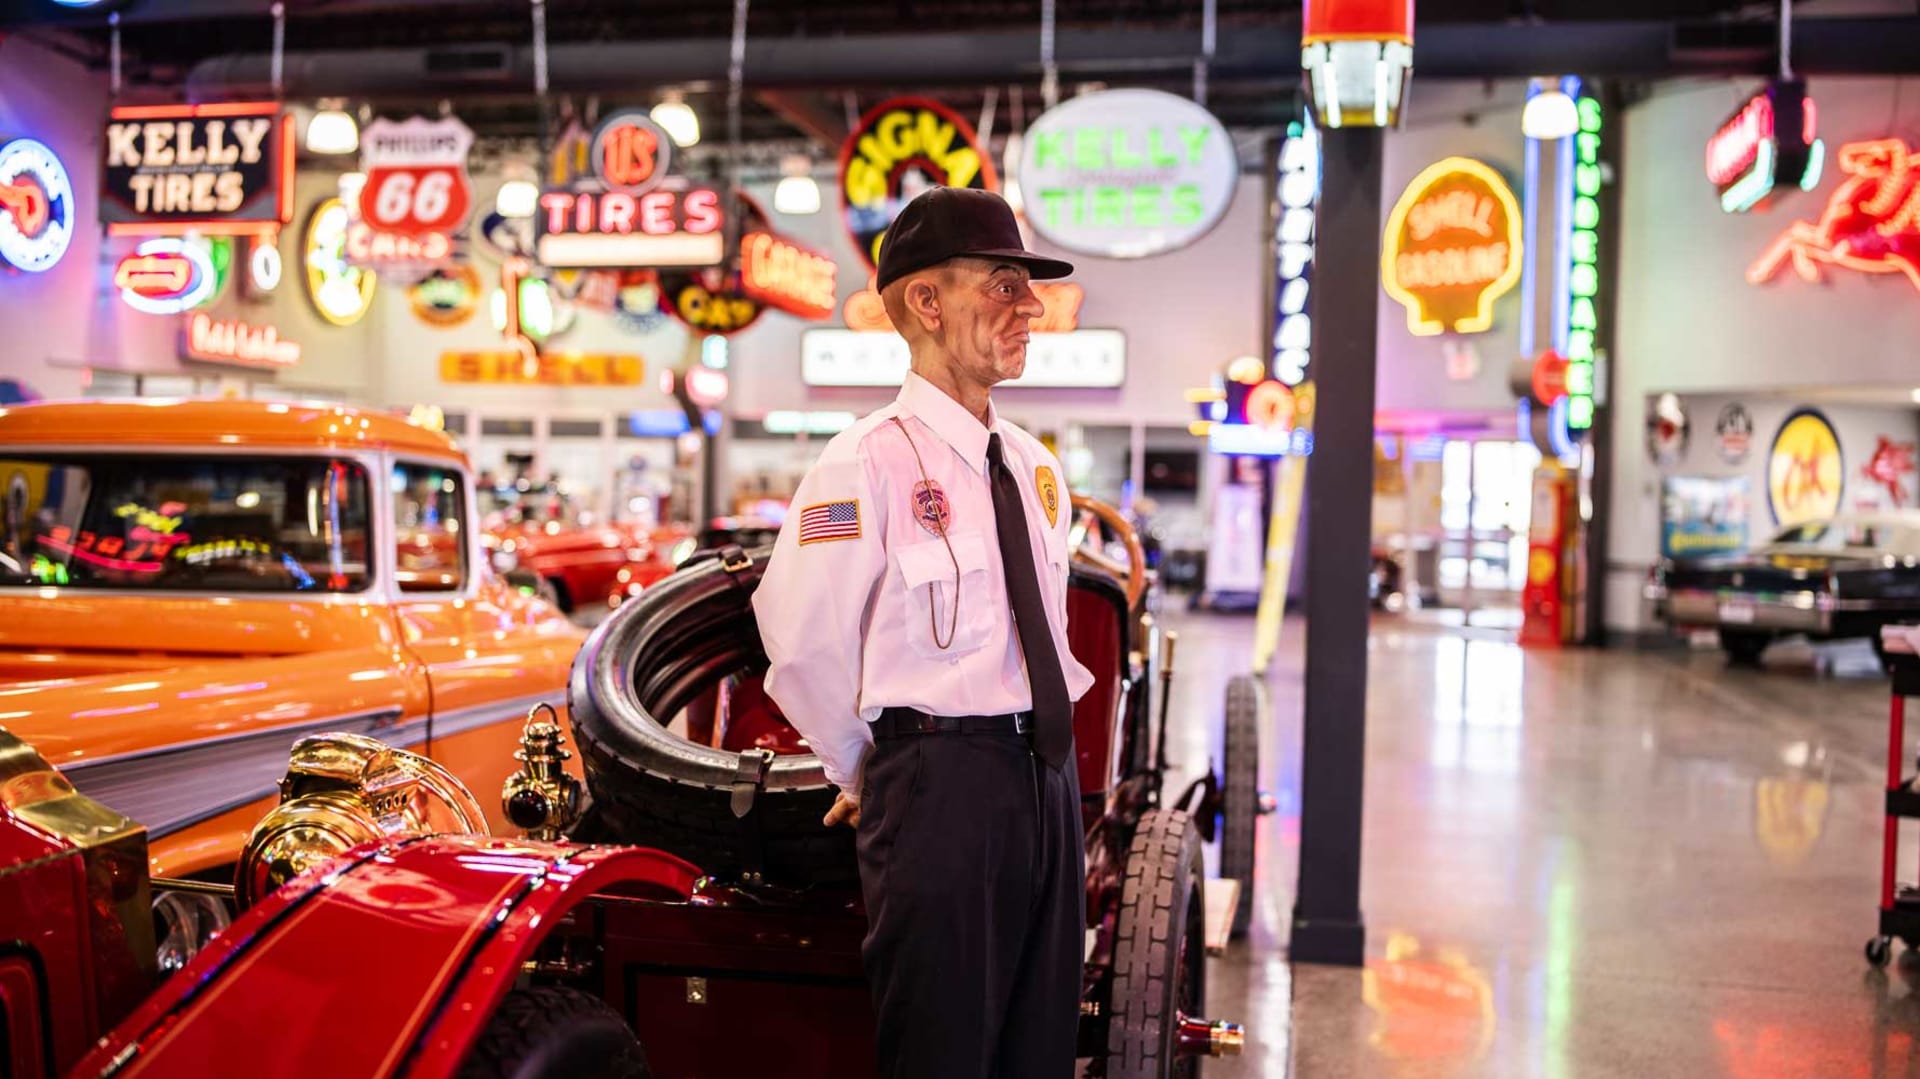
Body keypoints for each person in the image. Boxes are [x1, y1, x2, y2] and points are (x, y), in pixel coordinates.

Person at [752, 186, 1095, 1079]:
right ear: (926, 302)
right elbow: (800, 643)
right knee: (943, 1051)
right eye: (1004, 285)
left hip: (1049, 786)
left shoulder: (1034, 468)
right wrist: (869, 769)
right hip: (938, 791)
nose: (1029, 309)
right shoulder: (864, 462)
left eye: (1029, 287)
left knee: (1039, 1044)